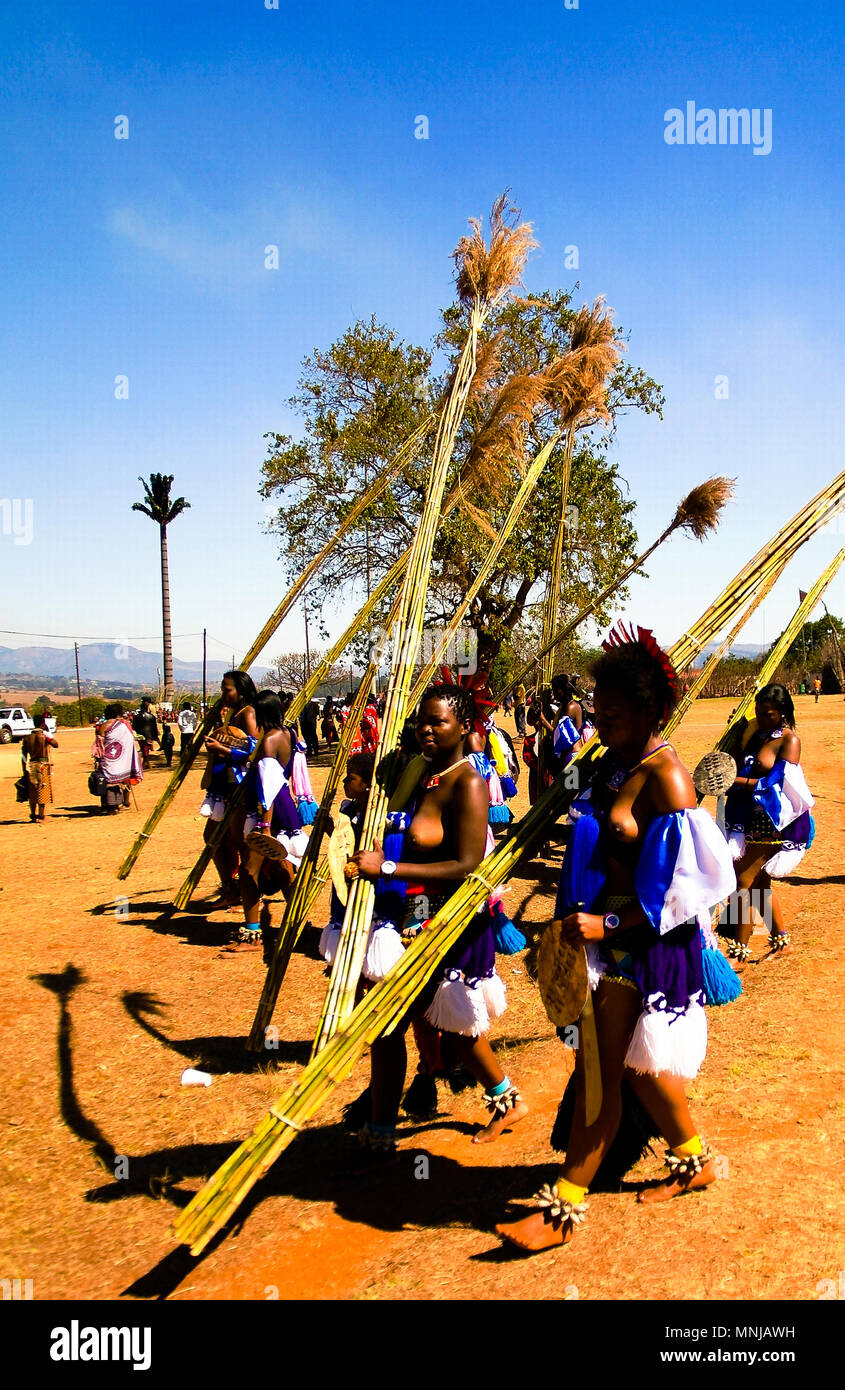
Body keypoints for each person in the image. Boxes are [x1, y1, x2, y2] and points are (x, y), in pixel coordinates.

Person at [496, 625, 736, 1254]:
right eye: (597, 711)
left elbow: (685, 891)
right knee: (634, 1072)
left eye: (615, 714)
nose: (601, 723)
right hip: (608, 938)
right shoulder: (612, 763)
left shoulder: (669, 782)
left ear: (651, 711)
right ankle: (696, 1159)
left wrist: (607, 926)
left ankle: (561, 1212)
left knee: (600, 1073)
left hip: (647, 946)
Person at [349, 684, 528, 1155]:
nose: (426, 730)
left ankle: (506, 1100)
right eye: (420, 722)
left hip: (445, 920)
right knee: (387, 1025)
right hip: (405, 913)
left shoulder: (466, 782)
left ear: (465, 726)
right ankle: (380, 1132)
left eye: (438, 722)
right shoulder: (419, 774)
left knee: (457, 1029)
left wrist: (386, 867)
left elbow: (468, 864)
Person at [723, 683, 814, 958]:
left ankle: (739, 946)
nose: (761, 718)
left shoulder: (789, 740)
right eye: (758, 711)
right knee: (759, 883)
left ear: (783, 712)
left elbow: (779, 786)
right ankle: (780, 938)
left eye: (768, 714)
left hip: (774, 821)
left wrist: (734, 781)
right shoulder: (753, 733)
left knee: (743, 881)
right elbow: (737, 763)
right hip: (746, 817)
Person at [234, 689, 309, 947]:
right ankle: (298, 923)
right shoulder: (289, 733)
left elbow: (269, 786)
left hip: (270, 811)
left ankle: (252, 932)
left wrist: (264, 827)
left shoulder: (269, 740)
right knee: (282, 868)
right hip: (284, 807)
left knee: (249, 870)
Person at [201, 671, 259, 902]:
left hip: (240, 788)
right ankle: (230, 886)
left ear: (241, 691)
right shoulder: (233, 714)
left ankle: (248, 891)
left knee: (240, 841)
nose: (223, 694)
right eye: (223, 689)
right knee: (214, 836)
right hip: (225, 787)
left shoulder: (249, 714)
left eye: (228, 690)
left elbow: (255, 751)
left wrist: (223, 750)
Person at [92, 702, 143, 812]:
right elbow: (130, 740)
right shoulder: (125, 724)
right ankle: (125, 801)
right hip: (124, 758)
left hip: (109, 759)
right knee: (124, 780)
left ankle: (109, 805)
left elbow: (100, 743)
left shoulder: (104, 726)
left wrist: (98, 757)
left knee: (108, 780)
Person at [21, 714, 58, 822]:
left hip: (31, 764)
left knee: (32, 791)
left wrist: (24, 769)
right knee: (42, 790)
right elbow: (56, 744)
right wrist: (48, 734)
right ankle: (41, 815)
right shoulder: (44, 736)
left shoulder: (27, 738)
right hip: (42, 764)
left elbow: (23, 756)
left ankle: (33, 814)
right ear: (43, 723)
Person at [132, 697, 159, 771]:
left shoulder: (136, 717)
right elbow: (154, 727)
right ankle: (147, 765)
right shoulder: (152, 716)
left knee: (144, 749)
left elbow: (134, 727)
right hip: (149, 735)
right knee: (146, 750)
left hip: (140, 736)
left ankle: (145, 764)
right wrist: (155, 736)